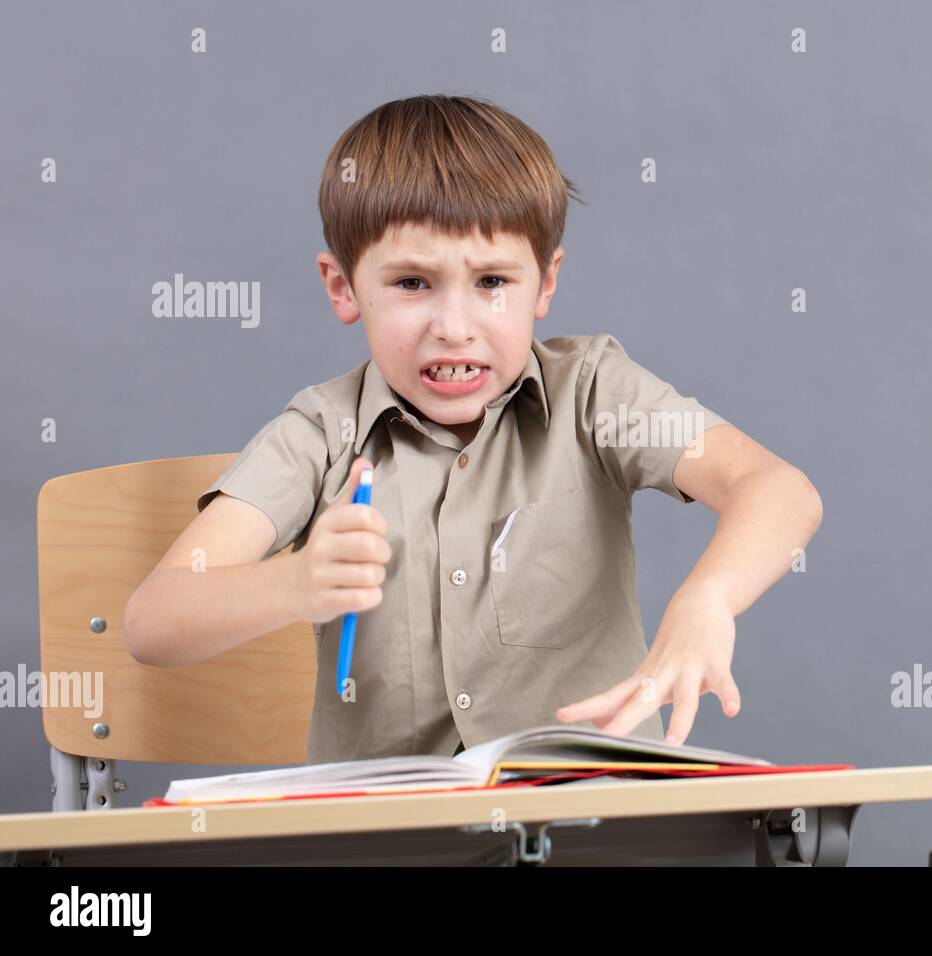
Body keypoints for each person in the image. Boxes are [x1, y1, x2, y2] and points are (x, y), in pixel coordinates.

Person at [124, 94, 822, 763]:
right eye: (411, 284)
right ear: (342, 287)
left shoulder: (593, 392)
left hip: (592, 823)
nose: (454, 328)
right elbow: (154, 620)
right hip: (395, 839)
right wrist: (295, 584)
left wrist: (707, 600)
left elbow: (778, 489)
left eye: (492, 282)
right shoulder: (319, 434)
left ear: (545, 285)